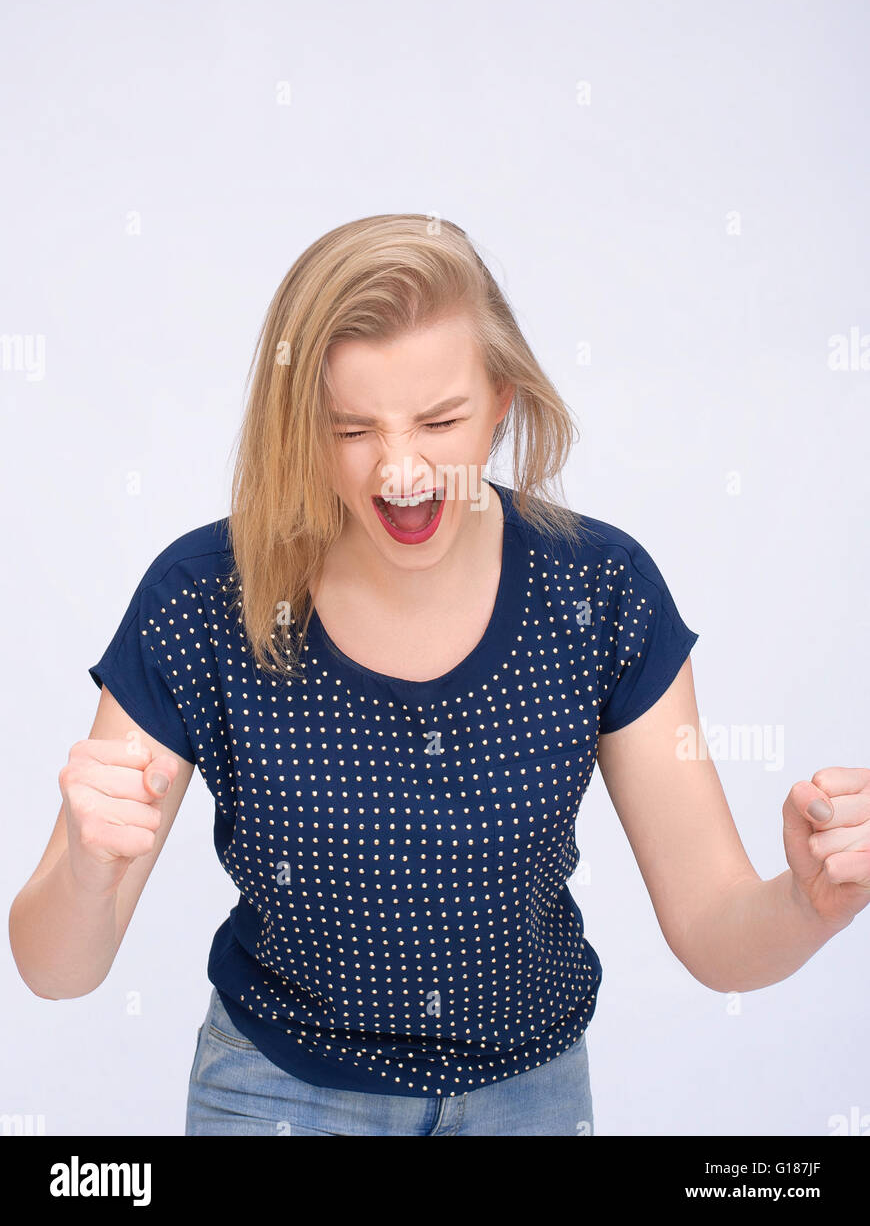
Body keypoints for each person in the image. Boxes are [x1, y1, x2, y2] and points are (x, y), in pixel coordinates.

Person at [9, 215, 865, 1137]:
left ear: (503, 400)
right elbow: (56, 969)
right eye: (353, 429)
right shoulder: (202, 599)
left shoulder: (600, 591)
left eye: (440, 420)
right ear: (301, 425)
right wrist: (89, 872)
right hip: (276, 1094)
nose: (404, 469)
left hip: (529, 1098)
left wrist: (808, 903)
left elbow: (715, 932)